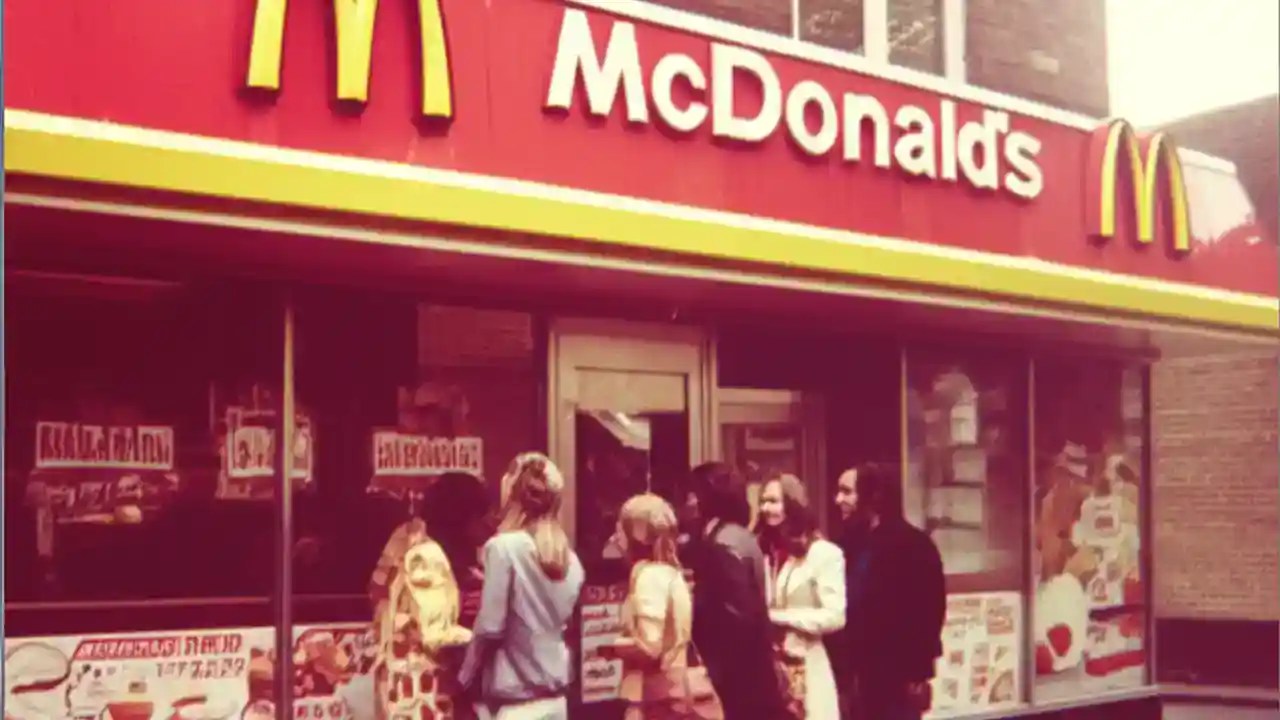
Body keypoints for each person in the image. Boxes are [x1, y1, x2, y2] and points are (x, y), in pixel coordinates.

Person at [458, 453, 584, 720]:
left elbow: (490, 627)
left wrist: (464, 678)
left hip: (515, 704)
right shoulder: (571, 560)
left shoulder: (503, 547)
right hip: (557, 701)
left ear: (512, 496)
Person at [683, 462, 786, 720]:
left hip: (738, 681)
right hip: (750, 674)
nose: (689, 501)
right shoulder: (737, 536)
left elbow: (737, 618)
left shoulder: (725, 543)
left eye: (694, 493)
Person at [847, 463, 946, 720]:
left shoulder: (914, 545)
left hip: (898, 674)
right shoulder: (857, 541)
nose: (840, 500)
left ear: (872, 496)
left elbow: (930, 611)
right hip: (864, 671)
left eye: (850, 492)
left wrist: (919, 671)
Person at [600, 493, 697, 720]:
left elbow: (650, 645)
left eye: (621, 529)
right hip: (671, 697)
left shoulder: (649, 576)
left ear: (636, 534)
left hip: (654, 703)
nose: (615, 537)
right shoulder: (672, 572)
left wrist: (610, 647)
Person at [756, 474, 846, 720]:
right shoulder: (766, 552)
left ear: (792, 503)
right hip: (772, 665)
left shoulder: (824, 553)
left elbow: (835, 616)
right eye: (763, 501)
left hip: (807, 662)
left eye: (774, 501)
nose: (765, 508)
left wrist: (782, 618)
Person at [829, 467, 872, 719]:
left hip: (877, 671)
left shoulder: (886, 547)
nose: (838, 500)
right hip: (851, 667)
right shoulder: (843, 545)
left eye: (847, 492)